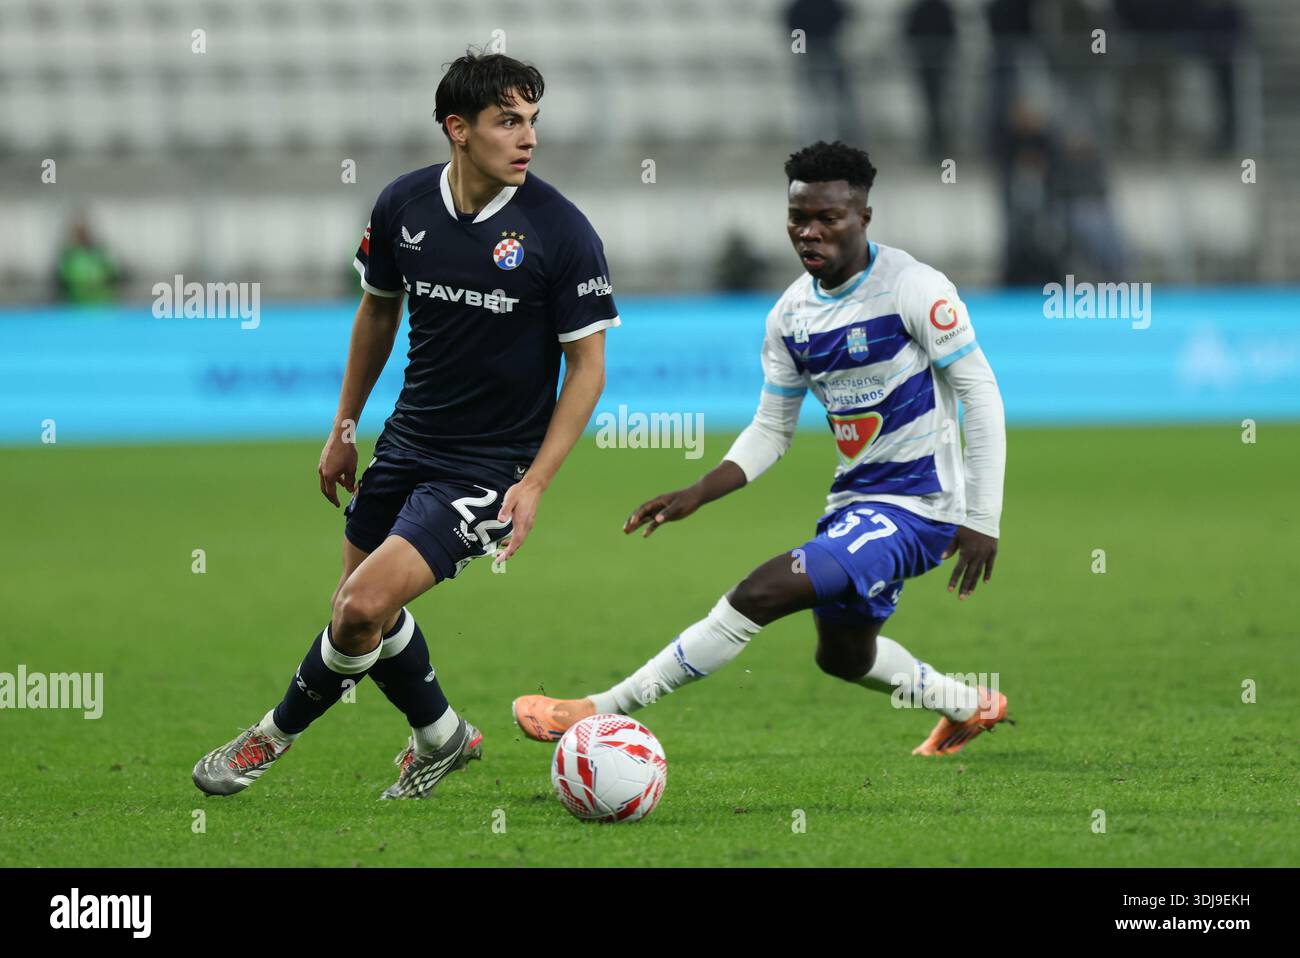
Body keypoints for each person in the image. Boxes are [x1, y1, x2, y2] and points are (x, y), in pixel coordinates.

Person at [193, 52, 619, 799]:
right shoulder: (403, 206)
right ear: (458, 129)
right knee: (356, 615)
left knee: (361, 606)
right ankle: (444, 738)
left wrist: (535, 482)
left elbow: (587, 370)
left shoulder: (560, 231)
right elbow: (378, 308)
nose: (528, 139)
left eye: (533, 122)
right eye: (508, 122)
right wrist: (345, 426)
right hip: (408, 440)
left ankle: (268, 739)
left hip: (488, 467)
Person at [515, 141, 1008, 757]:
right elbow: (772, 428)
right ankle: (967, 706)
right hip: (854, 505)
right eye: (798, 219)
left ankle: (593, 710)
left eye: (829, 218)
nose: (810, 233)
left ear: (864, 218)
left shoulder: (914, 288)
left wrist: (981, 518)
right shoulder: (790, 315)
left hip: (922, 509)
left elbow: (980, 395)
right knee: (843, 656)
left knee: (761, 592)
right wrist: (699, 490)